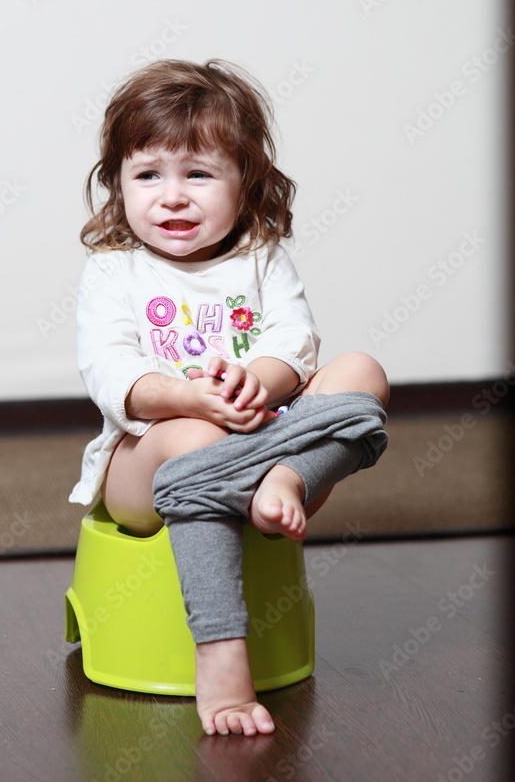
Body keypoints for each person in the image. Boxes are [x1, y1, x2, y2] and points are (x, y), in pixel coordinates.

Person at [69, 58, 389, 737]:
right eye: (147, 174)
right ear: (117, 183)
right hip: (145, 469)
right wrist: (188, 396)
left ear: (245, 187)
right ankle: (219, 651)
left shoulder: (260, 257)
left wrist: (263, 380)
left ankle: (287, 479)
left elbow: (294, 343)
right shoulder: (113, 271)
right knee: (194, 438)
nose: (172, 196)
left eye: (199, 174)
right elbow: (111, 374)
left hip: (263, 436)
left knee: (360, 370)